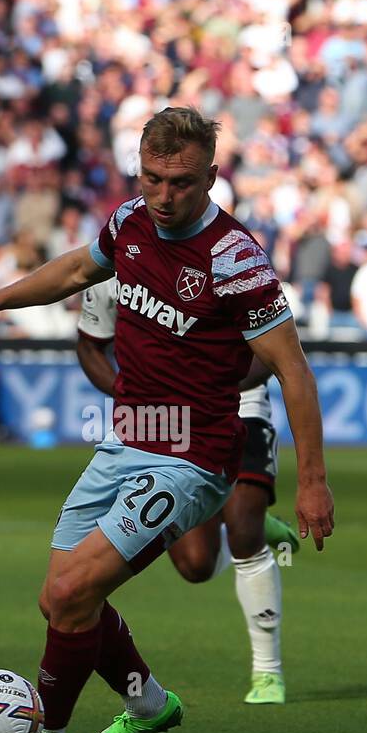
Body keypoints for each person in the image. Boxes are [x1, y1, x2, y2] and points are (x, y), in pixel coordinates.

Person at [0, 107, 334, 733]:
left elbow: (295, 371)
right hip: (125, 442)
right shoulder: (129, 222)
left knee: (71, 595)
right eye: (153, 179)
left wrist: (313, 481)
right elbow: (74, 273)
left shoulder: (237, 260)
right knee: (58, 597)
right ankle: (149, 706)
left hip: (193, 458)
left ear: (212, 176)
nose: (166, 195)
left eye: (182, 182)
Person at [76, 276, 301, 705]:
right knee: (195, 565)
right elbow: (90, 346)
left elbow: (274, 351)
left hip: (237, 405)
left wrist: (212, 389)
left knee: (244, 530)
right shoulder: (110, 266)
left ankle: (267, 672)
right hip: (161, 417)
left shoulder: (226, 261)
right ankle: (235, 524)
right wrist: (128, 394)